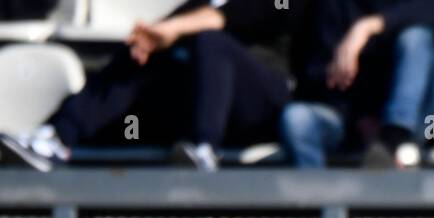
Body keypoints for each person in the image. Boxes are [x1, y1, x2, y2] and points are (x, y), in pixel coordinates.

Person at [0, 0, 303, 172]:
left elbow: (232, 17)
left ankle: (204, 149)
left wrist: (171, 30)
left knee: (210, 43)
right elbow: (164, 33)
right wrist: (147, 42)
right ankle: (58, 137)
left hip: (265, 109)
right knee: (143, 52)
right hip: (197, 107)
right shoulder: (198, 5)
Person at [281, 0, 434, 170]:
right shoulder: (329, 6)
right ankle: (318, 200)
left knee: (416, 37)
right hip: (350, 119)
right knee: (297, 119)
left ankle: (393, 138)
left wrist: (369, 26)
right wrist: (360, 117)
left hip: (423, 121)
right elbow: (315, 74)